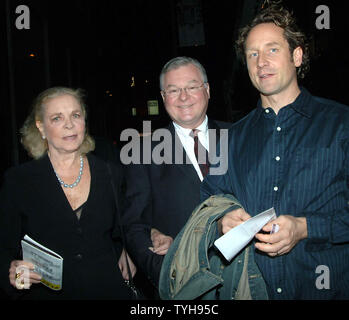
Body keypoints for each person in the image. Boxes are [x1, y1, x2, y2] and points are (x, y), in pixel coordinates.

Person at [201, 4, 349, 299]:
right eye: (252, 54)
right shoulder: (230, 139)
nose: (261, 62)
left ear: (297, 56)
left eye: (272, 50)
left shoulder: (341, 123)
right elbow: (210, 199)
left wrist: (306, 228)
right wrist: (222, 219)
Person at [0, 87, 136, 300]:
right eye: (57, 118)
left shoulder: (110, 172)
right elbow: (5, 248)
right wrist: (15, 275)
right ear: (41, 127)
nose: (69, 125)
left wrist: (131, 253)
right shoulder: (19, 181)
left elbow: (125, 228)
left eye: (76, 115)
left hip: (107, 289)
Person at [122, 56, 231, 293]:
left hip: (244, 278)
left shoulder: (239, 136)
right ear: (163, 98)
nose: (183, 97)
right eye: (173, 90)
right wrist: (166, 274)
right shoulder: (142, 152)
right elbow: (134, 225)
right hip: (183, 284)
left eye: (192, 87)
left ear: (208, 90)